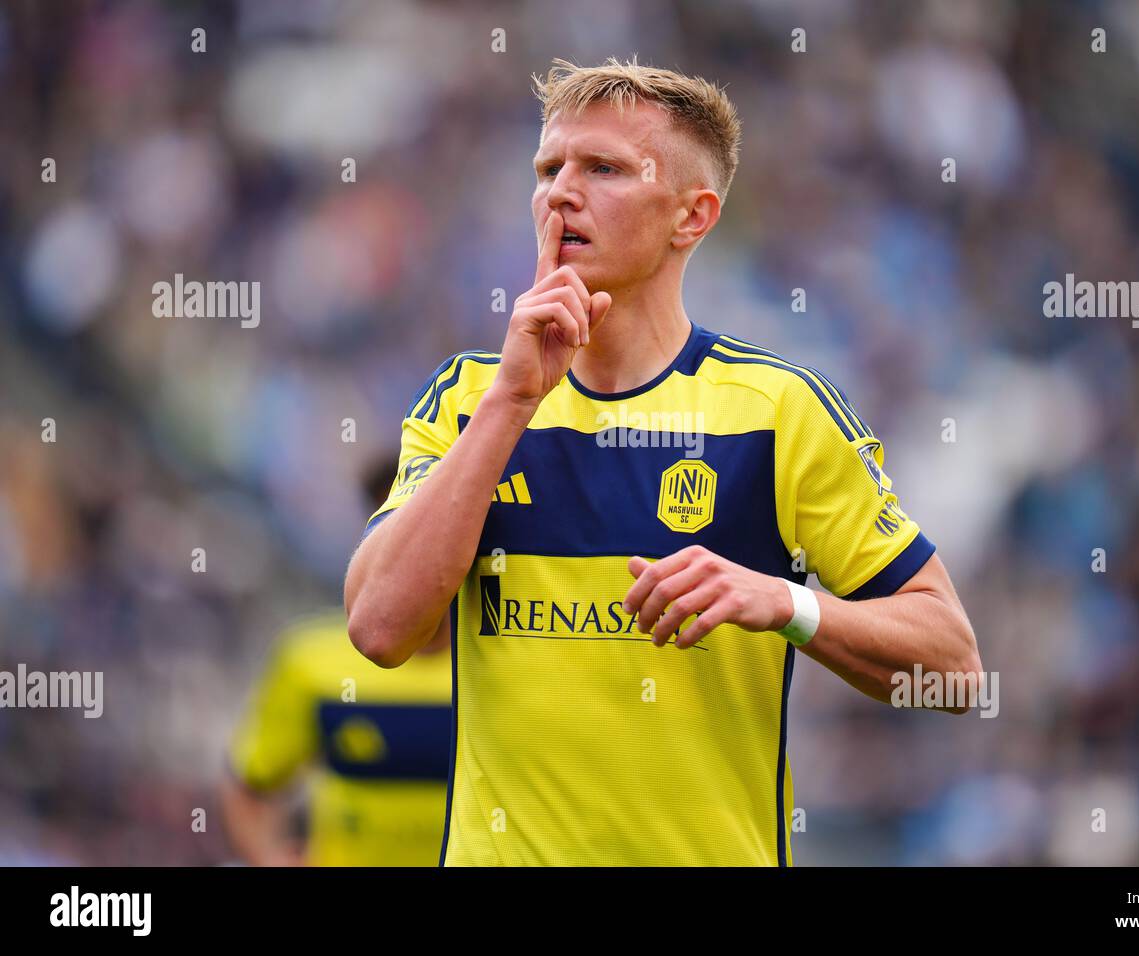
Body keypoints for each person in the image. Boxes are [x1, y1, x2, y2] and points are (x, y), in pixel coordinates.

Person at [344, 56, 980, 866]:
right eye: (548, 169)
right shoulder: (472, 398)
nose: (560, 193)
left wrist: (786, 602)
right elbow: (379, 628)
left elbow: (954, 668)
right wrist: (512, 403)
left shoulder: (778, 413)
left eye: (603, 168)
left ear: (693, 217)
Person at [221, 457, 453, 866]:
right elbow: (250, 786)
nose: (413, 547)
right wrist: (269, 856)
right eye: (396, 525)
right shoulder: (312, 661)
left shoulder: (513, 659)